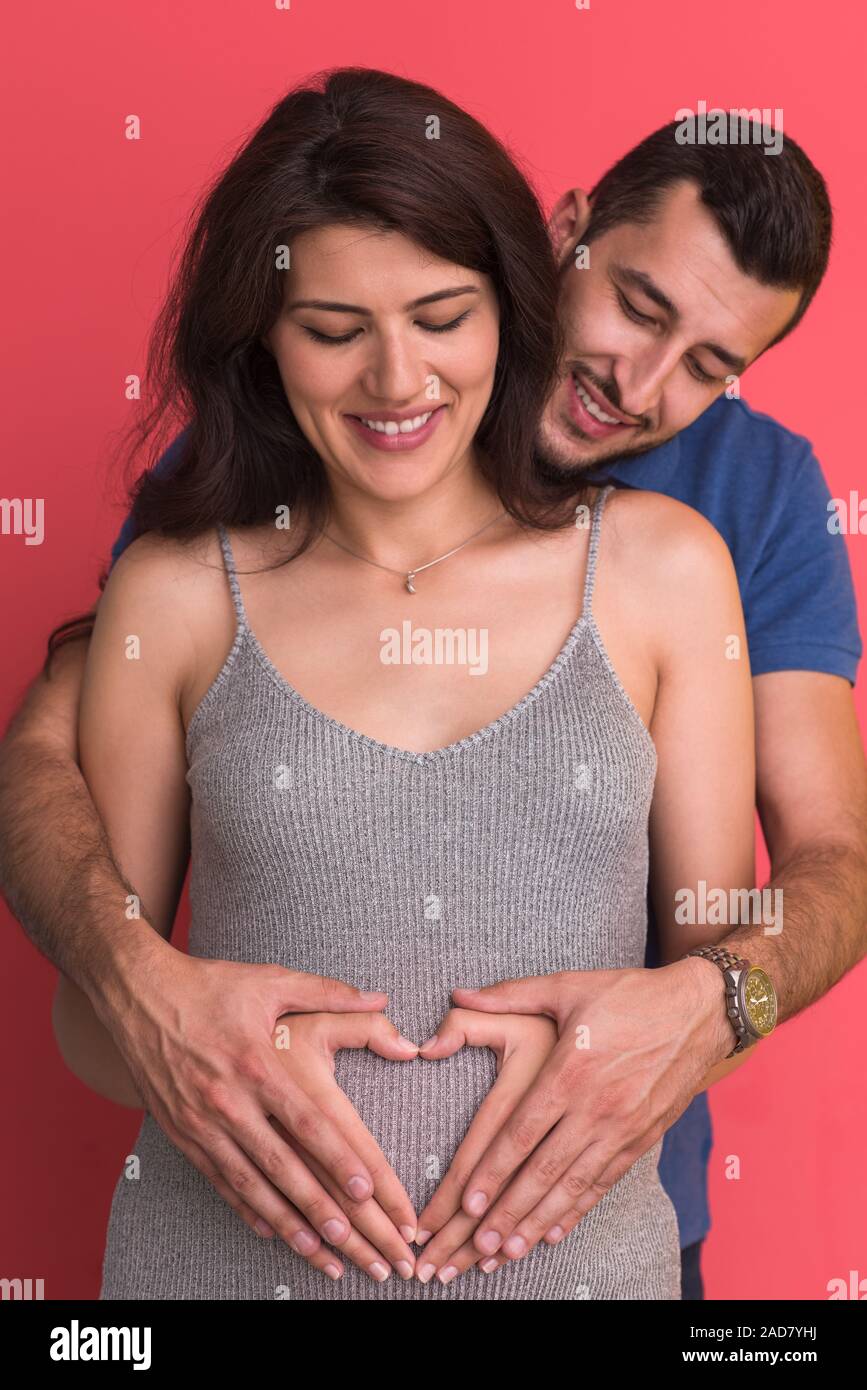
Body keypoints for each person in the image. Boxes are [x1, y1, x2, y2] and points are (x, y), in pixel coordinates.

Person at [0, 78, 862, 1297]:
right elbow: (46, 791)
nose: (395, 380)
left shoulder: (706, 542)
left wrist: (714, 1003)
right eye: (637, 303)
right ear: (560, 244)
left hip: (592, 1249)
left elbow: (820, 868)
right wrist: (147, 994)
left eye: (710, 361)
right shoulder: (199, 556)